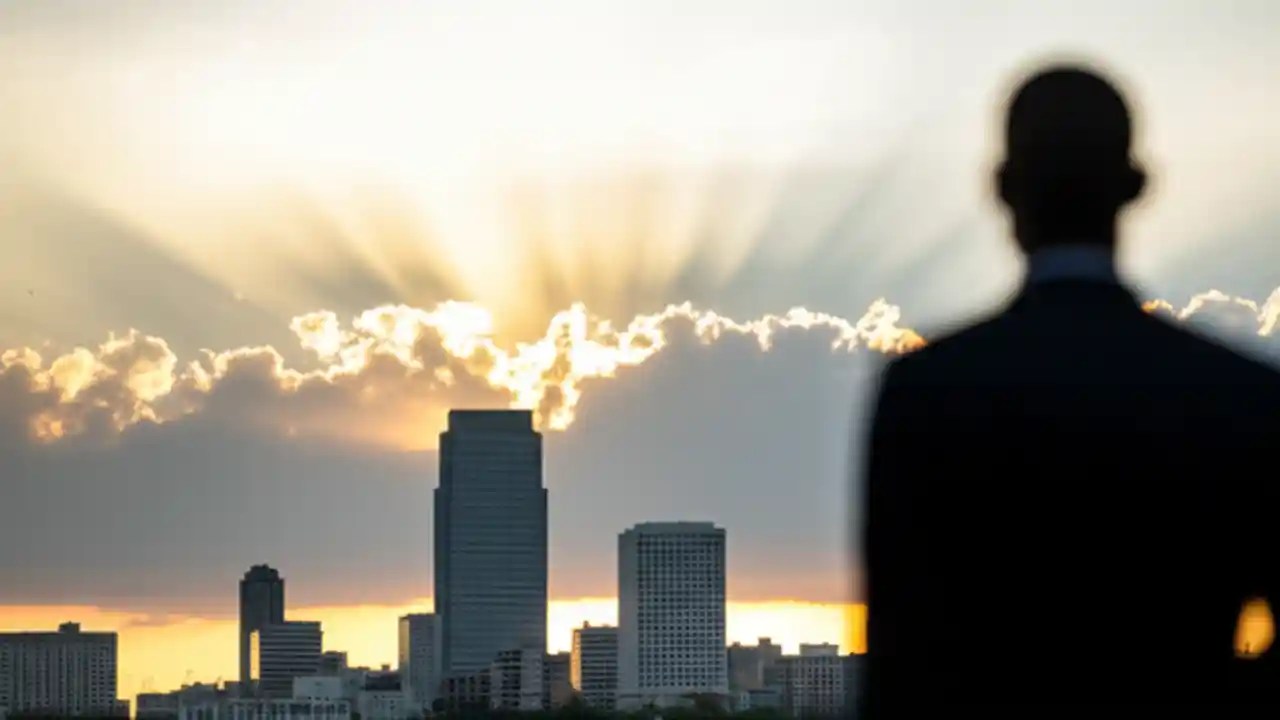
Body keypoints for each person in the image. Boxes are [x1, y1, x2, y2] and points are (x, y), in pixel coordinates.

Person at [858, 64, 1280, 713]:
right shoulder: (1241, 394)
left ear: (1002, 188)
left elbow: (898, 662)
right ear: (1137, 186)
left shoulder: (927, 391)